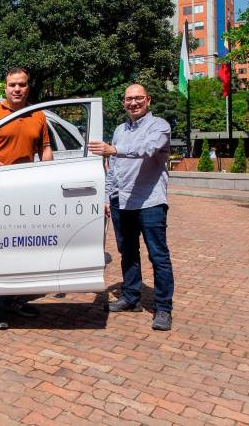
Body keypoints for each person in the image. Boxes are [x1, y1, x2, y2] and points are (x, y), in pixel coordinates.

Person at [89, 84, 174, 331]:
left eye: (138, 98)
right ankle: (131, 297)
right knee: (128, 252)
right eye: (128, 99)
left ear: (147, 100)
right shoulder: (119, 130)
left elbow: (147, 149)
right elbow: (113, 169)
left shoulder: (159, 126)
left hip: (150, 202)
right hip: (121, 202)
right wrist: (107, 197)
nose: (133, 103)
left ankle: (163, 308)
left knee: (158, 256)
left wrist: (114, 149)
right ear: (124, 103)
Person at [0, 67, 53, 329]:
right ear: (4, 87)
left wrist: (49, 172)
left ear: (28, 87)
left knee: (24, 248)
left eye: (22, 84)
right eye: (12, 85)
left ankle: (16, 300)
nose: (17, 89)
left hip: (27, 189)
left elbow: (45, 147)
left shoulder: (38, 115)